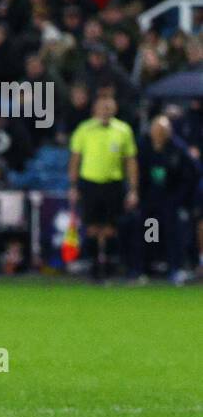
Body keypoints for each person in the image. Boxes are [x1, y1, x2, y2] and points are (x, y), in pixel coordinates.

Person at [68, 93, 138, 281]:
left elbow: (130, 161)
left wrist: (133, 189)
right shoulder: (84, 129)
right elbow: (75, 159)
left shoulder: (123, 130)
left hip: (113, 183)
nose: (106, 110)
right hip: (90, 183)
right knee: (91, 227)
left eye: (109, 106)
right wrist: (73, 186)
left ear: (114, 108)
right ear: (95, 109)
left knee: (110, 228)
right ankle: (93, 267)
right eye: (102, 106)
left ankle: (109, 265)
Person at [130, 115, 199, 285]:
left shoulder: (178, 148)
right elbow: (136, 171)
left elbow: (193, 173)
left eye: (163, 130)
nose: (159, 133)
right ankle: (146, 267)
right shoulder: (144, 147)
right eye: (157, 130)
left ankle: (174, 268)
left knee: (172, 234)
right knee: (149, 233)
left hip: (170, 200)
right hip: (150, 200)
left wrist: (181, 197)